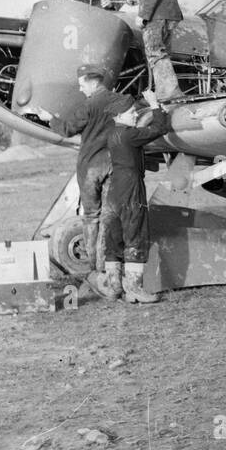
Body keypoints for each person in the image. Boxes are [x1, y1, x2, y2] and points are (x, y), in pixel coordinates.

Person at [23, 65, 133, 282]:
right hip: (113, 164)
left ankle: (95, 268)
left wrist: (48, 117)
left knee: (91, 217)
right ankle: (113, 266)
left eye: (82, 84)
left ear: (93, 82)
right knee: (111, 216)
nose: (81, 89)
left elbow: (66, 130)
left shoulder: (88, 106)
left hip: (90, 166)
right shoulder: (122, 101)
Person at [90, 102, 173, 304]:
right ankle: (135, 288)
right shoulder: (129, 135)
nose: (135, 114)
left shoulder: (112, 134)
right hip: (131, 189)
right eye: (131, 112)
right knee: (135, 234)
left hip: (115, 190)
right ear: (118, 116)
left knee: (114, 237)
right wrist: (155, 106)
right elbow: (160, 128)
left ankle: (114, 287)